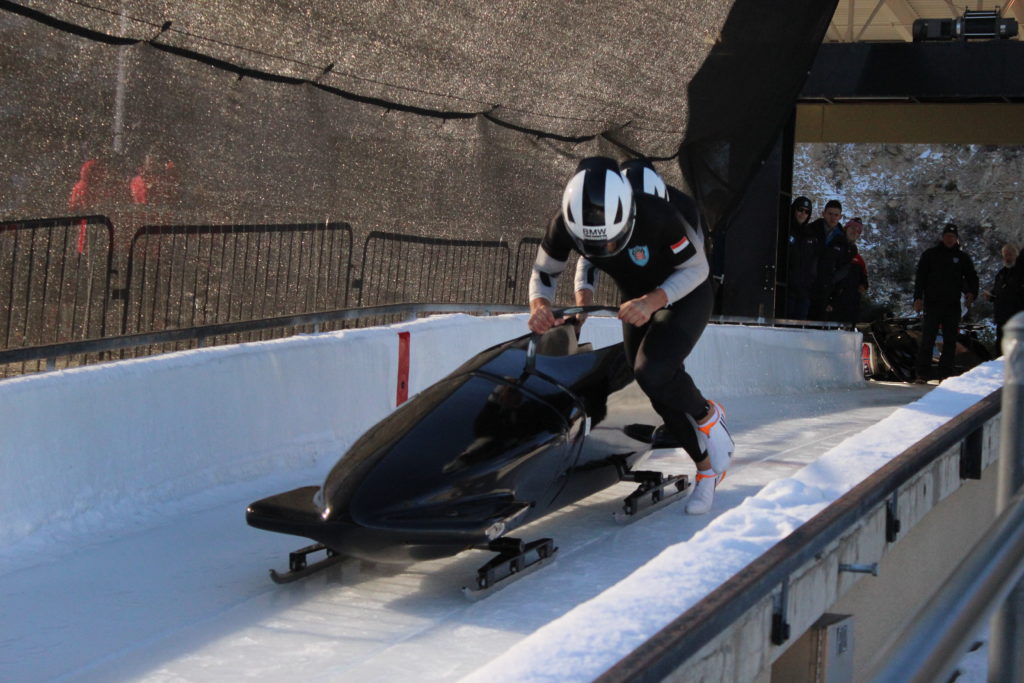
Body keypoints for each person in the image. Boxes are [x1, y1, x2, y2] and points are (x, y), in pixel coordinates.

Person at [528, 157, 734, 515]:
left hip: (683, 294)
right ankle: (706, 470)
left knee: (652, 369)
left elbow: (697, 268)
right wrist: (539, 306)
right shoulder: (563, 224)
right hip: (636, 299)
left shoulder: (661, 213)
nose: (605, 251)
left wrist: (654, 300)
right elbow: (545, 272)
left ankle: (708, 416)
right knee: (655, 388)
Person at [912, 224, 979, 381]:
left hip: (952, 304)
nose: (950, 239)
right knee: (928, 338)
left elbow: (972, 277)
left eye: (953, 237)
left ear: (956, 239)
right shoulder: (930, 255)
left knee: (950, 341)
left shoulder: (962, 257)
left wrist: (972, 293)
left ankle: (945, 374)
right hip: (932, 303)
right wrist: (917, 298)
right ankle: (922, 373)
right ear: (943, 237)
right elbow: (920, 277)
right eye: (947, 236)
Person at [823, 218, 868, 326]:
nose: (855, 232)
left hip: (850, 306)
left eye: (858, 231)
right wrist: (828, 300)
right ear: (846, 229)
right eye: (853, 228)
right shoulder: (834, 246)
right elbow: (826, 275)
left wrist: (863, 285)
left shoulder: (857, 257)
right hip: (834, 303)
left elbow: (864, 278)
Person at [807, 200, 844, 320]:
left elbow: (841, 269)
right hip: (807, 286)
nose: (832, 218)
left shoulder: (842, 239)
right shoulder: (810, 230)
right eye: (830, 214)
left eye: (836, 215)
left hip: (826, 291)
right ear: (823, 213)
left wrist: (833, 298)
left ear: (840, 217)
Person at [983, 243, 1023, 347]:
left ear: (1016, 255)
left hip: (1016, 317)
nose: (1008, 257)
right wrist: (991, 295)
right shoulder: (1001, 274)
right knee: (1000, 347)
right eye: (1005, 255)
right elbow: (998, 292)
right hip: (1001, 318)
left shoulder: (1021, 273)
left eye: (1010, 254)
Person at [784, 196, 816, 319]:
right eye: (800, 209)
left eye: (807, 211)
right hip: (787, 290)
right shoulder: (784, 230)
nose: (803, 214)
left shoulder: (811, 235)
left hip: (803, 291)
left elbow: (813, 263)